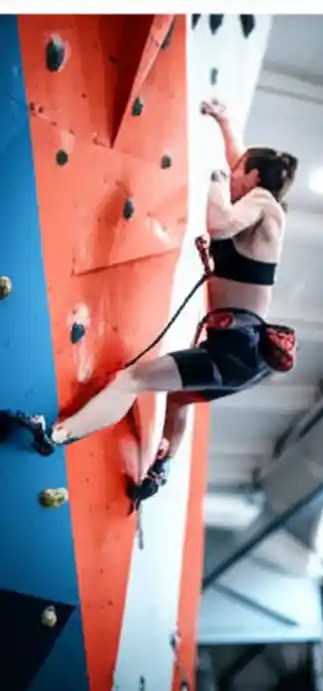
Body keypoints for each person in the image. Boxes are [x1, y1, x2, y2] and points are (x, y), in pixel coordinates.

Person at [5, 98, 299, 507]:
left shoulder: (265, 206)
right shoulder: (262, 202)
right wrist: (224, 122)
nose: (230, 177)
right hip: (238, 355)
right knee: (178, 397)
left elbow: (220, 221)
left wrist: (215, 177)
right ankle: (160, 470)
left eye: (236, 174)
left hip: (236, 348)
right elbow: (243, 162)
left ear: (252, 178)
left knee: (134, 379)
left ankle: (53, 435)